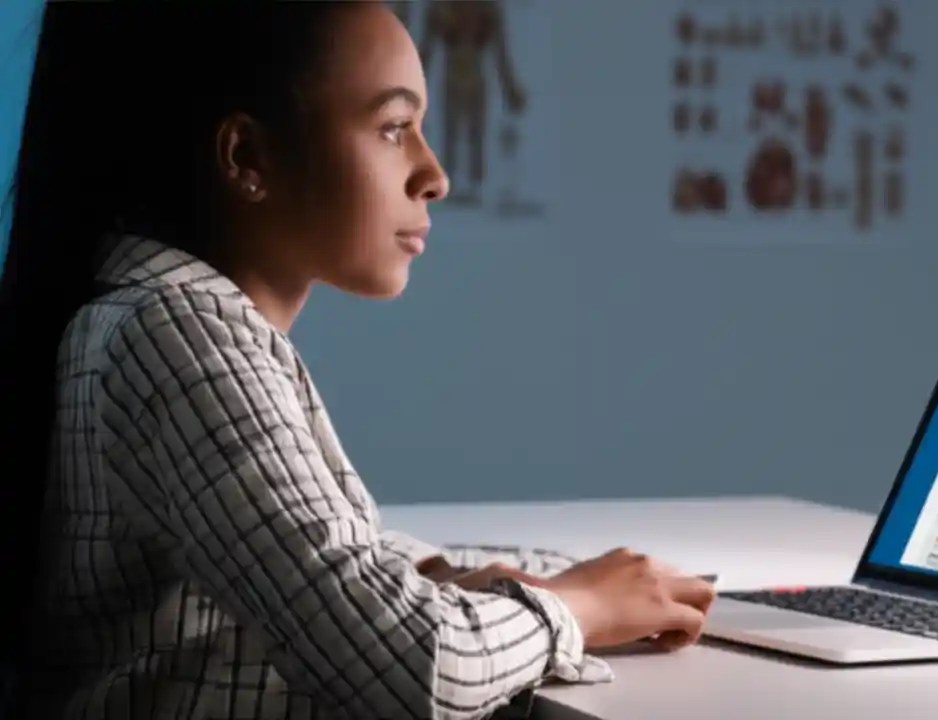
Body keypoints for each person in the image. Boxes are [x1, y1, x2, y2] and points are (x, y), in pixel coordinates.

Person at [0, 2, 715, 719]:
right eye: (394, 128)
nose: (434, 175)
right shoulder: (177, 335)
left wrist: (451, 578)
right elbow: (414, 669)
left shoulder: (162, 319)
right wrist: (581, 607)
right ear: (247, 158)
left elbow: (290, 547)